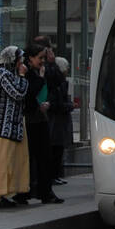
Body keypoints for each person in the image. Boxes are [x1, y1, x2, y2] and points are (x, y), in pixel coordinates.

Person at [0, 46, 31, 208]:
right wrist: (22, 76)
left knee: (9, 162)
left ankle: (4, 193)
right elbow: (18, 92)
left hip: (8, 126)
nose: (22, 64)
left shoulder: (6, 74)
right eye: (20, 61)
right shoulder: (1, 74)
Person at [24, 38, 62, 203]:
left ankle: (45, 191)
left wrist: (52, 65)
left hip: (40, 118)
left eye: (44, 58)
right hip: (30, 119)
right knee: (32, 157)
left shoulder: (43, 70)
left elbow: (57, 81)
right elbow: (29, 93)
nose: (42, 61)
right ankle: (29, 189)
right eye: (40, 58)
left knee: (45, 157)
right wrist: (40, 78)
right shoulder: (26, 73)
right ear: (30, 58)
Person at [47, 54, 73, 187]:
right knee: (56, 150)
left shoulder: (60, 83)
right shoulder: (58, 84)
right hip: (57, 122)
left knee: (58, 150)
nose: (68, 70)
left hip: (58, 122)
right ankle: (54, 175)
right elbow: (58, 103)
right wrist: (70, 106)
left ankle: (56, 175)